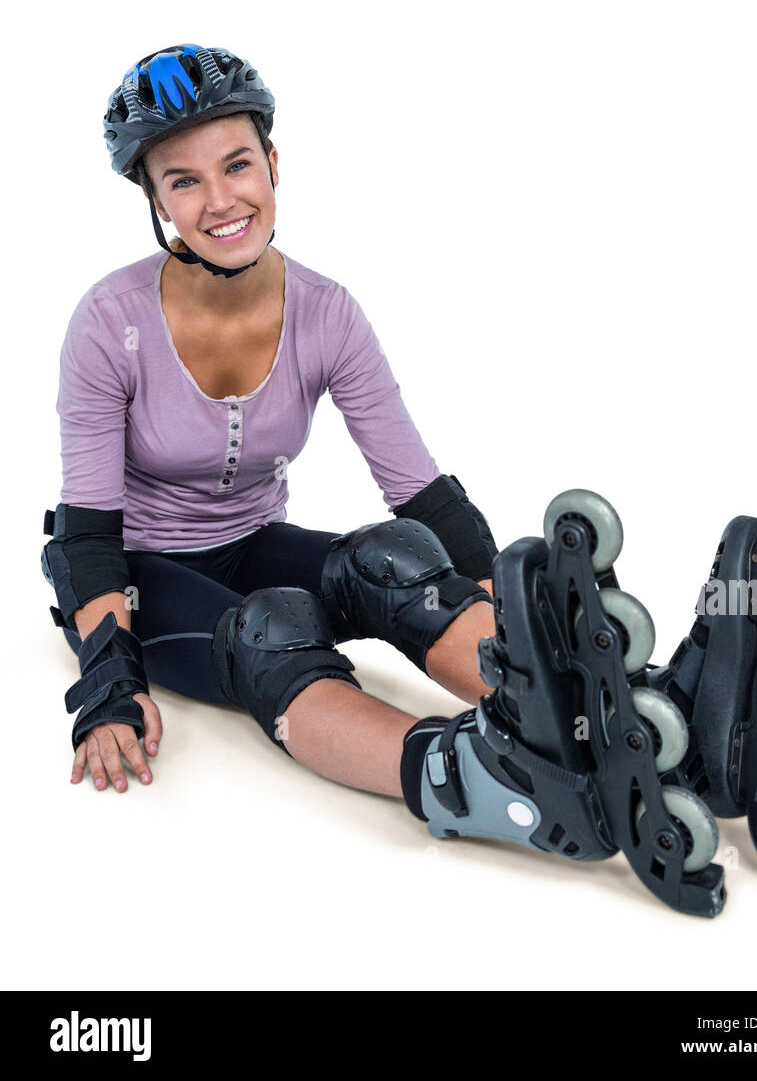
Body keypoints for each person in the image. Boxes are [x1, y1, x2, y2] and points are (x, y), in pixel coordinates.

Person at [43, 44, 500, 805]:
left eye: (237, 165)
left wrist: (523, 630)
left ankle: (585, 716)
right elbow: (87, 539)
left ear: (273, 163)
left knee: (396, 564)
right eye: (183, 181)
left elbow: (423, 498)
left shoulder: (328, 314)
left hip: (255, 545)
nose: (220, 202)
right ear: (158, 201)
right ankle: (473, 783)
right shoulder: (107, 323)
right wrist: (110, 686)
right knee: (273, 635)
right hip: (138, 577)